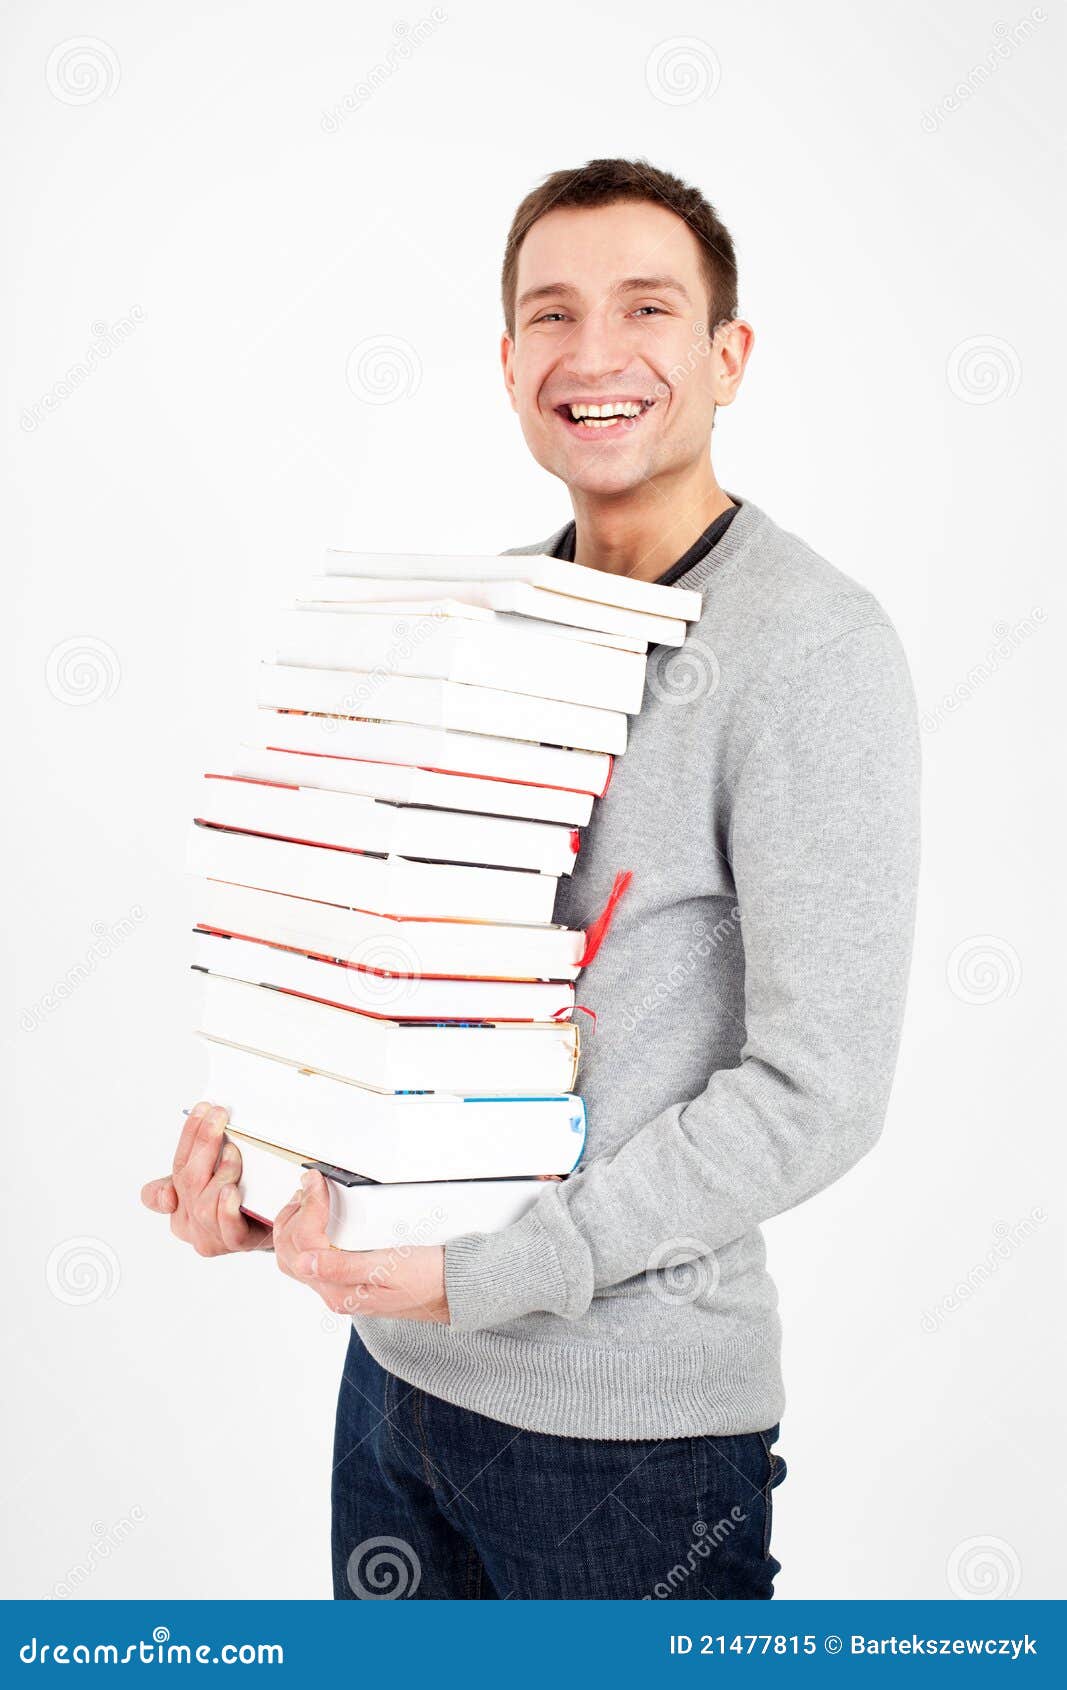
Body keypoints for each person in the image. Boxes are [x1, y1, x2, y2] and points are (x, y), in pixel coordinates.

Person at [142, 157, 920, 1600]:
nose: (597, 352)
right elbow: (398, 983)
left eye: (648, 307)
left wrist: (493, 1270)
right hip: (393, 1391)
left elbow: (820, 1093)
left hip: (629, 1449)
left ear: (727, 355)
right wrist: (273, 1171)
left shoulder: (810, 649)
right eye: (552, 314)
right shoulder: (481, 610)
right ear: (510, 366)